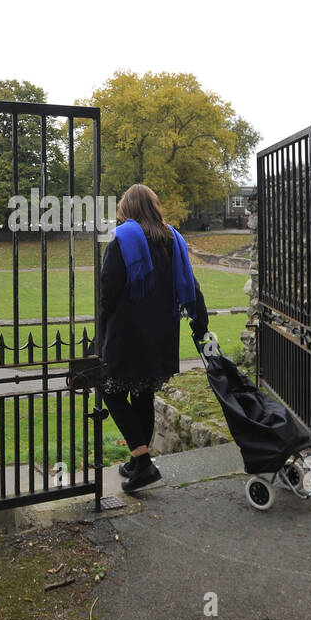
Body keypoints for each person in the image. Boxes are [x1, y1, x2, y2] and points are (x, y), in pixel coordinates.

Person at [100, 184, 209, 492]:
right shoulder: (172, 240)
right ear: (153, 207)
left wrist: (99, 336)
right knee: (143, 394)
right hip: (161, 337)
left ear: (127, 210)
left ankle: (143, 462)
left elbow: (108, 295)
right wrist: (200, 325)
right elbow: (192, 285)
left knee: (110, 392)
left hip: (127, 336)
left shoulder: (121, 241)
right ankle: (138, 461)